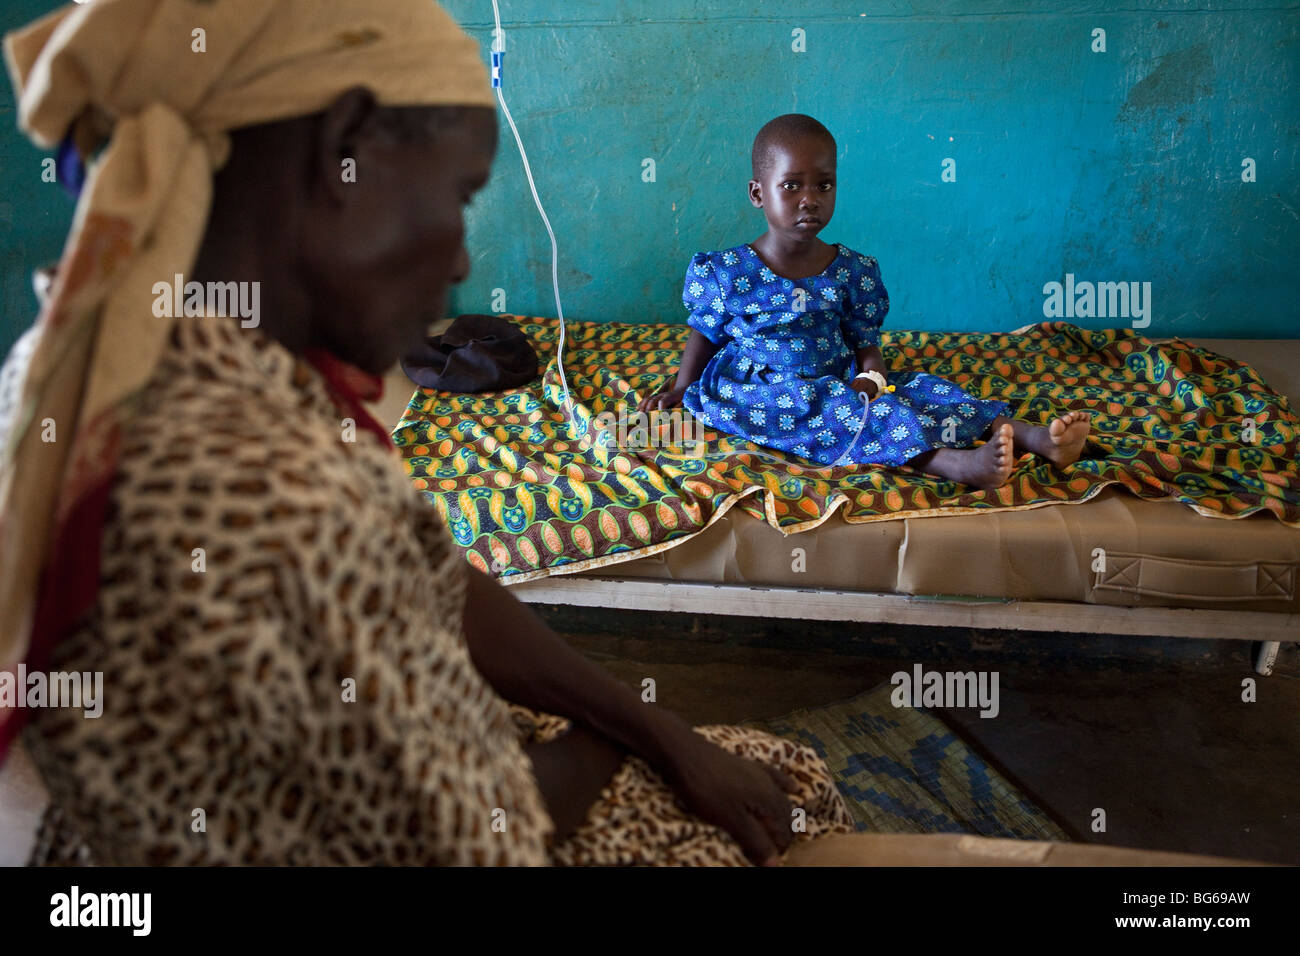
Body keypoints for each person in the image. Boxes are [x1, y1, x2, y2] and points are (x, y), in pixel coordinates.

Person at [0, 0, 851, 866]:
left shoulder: (203, 361)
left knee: (780, 779)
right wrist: (631, 741)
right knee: (791, 793)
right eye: (452, 198)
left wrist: (651, 726)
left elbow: (435, 580)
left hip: (413, 778)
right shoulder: (238, 478)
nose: (458, 263)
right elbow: (459, 835)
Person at [639, 114, 1092, 489]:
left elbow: (865, 343)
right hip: (765, 388)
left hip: (840, 374)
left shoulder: (852, 271)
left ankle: (1034, 437)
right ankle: (951, 463)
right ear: (758, 193)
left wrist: (871, 378)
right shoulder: (725, 273)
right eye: (791, 186)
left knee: (920, 392)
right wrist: (682, 388)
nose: (809, 200)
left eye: (824, 185)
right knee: (839, 414)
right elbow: (704, 332)